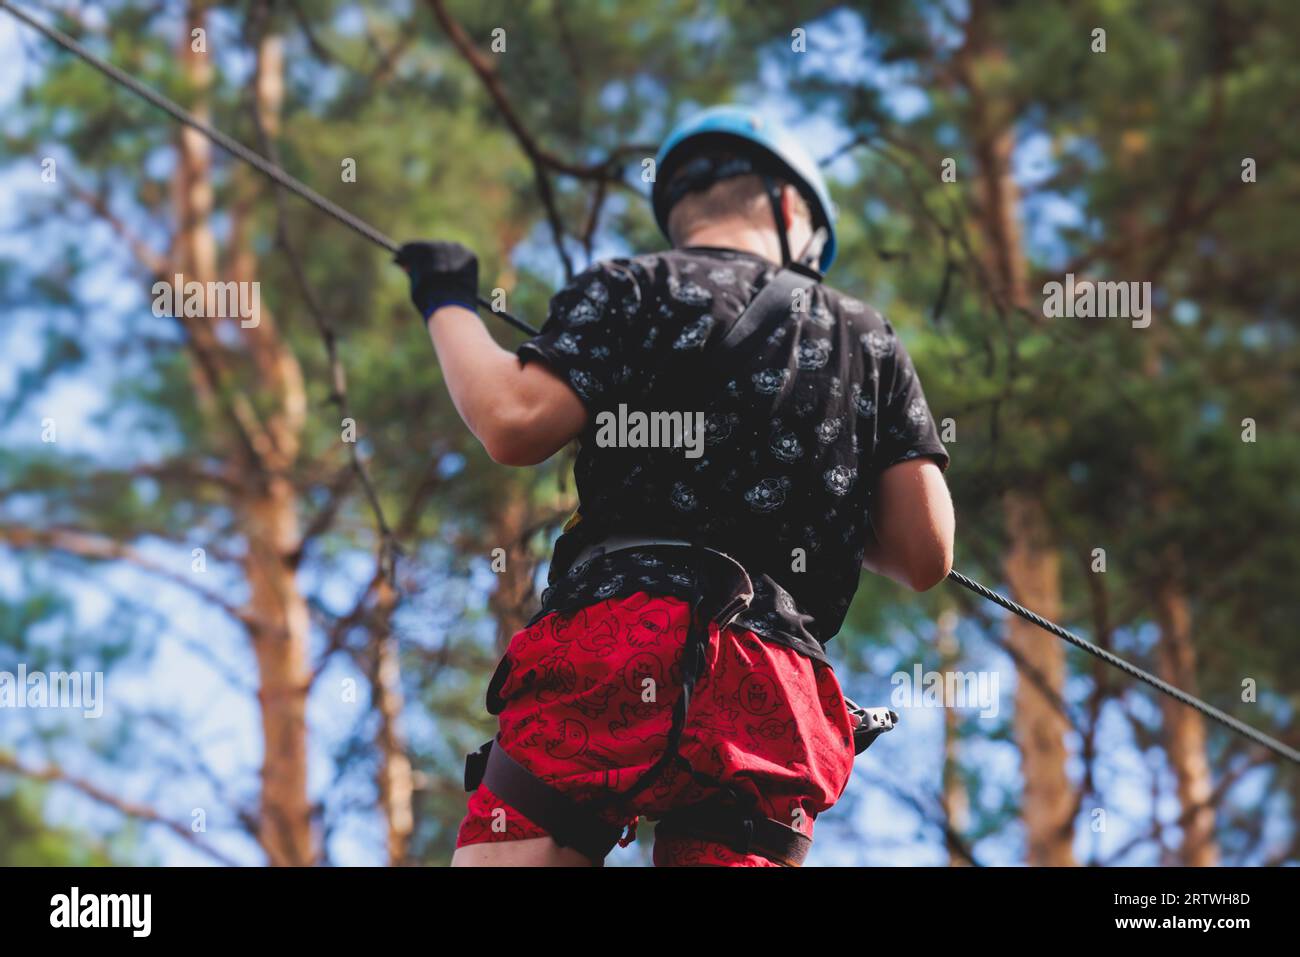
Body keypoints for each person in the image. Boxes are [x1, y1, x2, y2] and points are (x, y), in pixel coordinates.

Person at [397, 105, 955, 867]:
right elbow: (927, 553)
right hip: (772, 678)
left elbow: (513, 419)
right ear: (792, 208)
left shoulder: (632, 286)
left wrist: (446, 296)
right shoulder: (870, 336)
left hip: (616, 637)